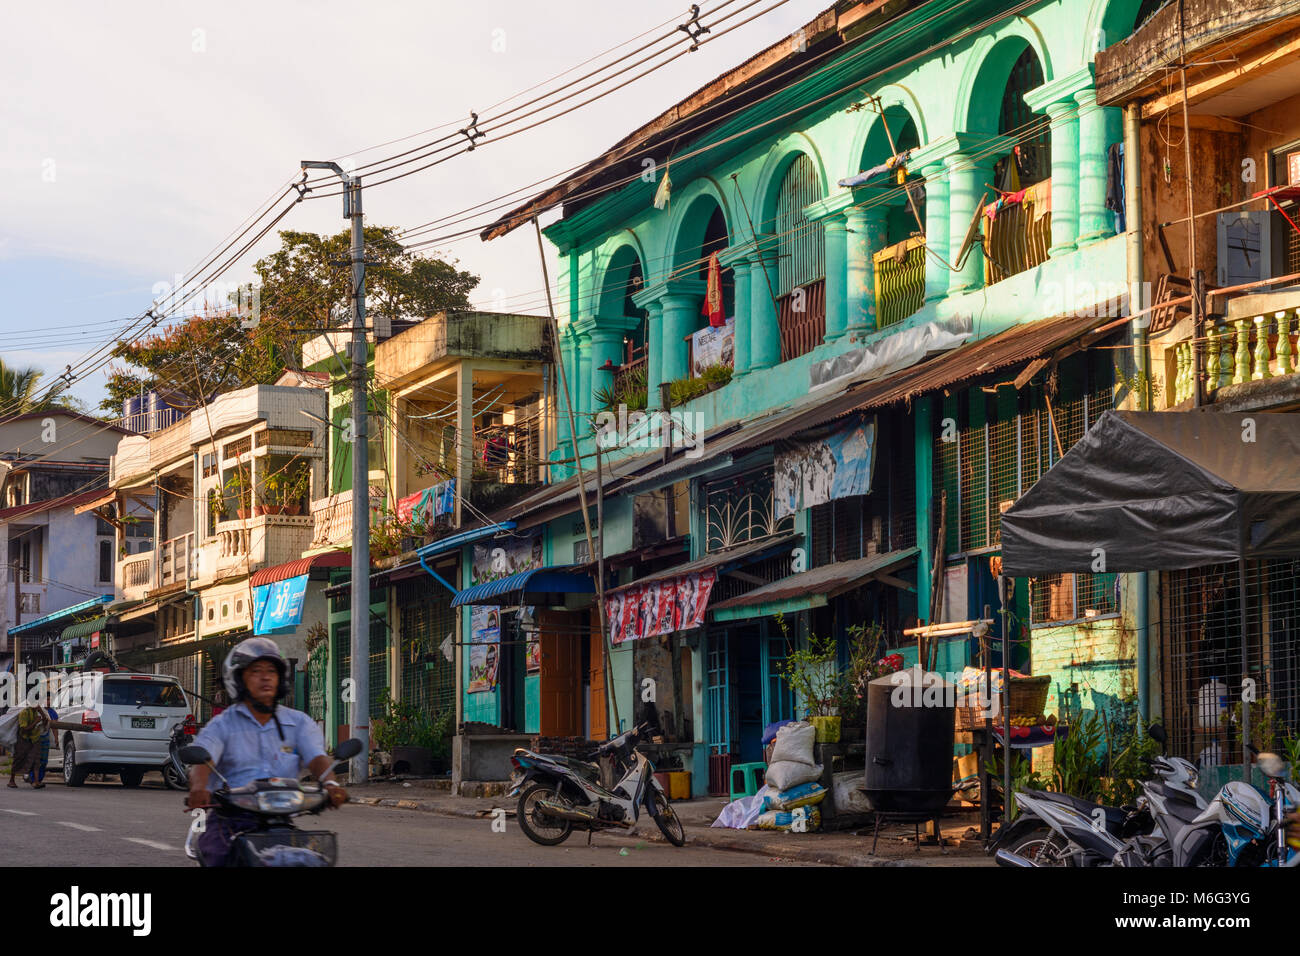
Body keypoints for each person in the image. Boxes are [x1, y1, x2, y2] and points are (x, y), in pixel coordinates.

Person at [186, 637, 348, 867]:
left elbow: (317, 759)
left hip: (281, 820)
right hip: (231, 820)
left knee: (309, 859)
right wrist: (199, 788)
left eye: (271, 671)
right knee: (217, 854)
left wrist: (331, 785)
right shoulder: (222, 724)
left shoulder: (298, 722)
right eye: (256, 671)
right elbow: (203, 759)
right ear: (240, 678)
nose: (265, 677)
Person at [8, 705, 49, 789]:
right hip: (24, 738)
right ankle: (11, 780)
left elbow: (45, 722)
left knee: (36, 759)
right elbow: (24, 729)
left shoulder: (38, 712)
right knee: (19, 758)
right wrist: (35, 722)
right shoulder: (24, 713)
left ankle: (36, 782)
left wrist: (42, 713)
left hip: (35, 738)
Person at [25, 704, 57, 786]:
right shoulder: (31, 712)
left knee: (44, 761)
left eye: (50, 700)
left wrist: (56, 739)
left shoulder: (51, 712)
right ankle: (33, 779)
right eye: (47, 700)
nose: (48, 702)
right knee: (35, 760)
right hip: (35, 739)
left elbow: (52, 725)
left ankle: (38, 779)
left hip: (45, 739)